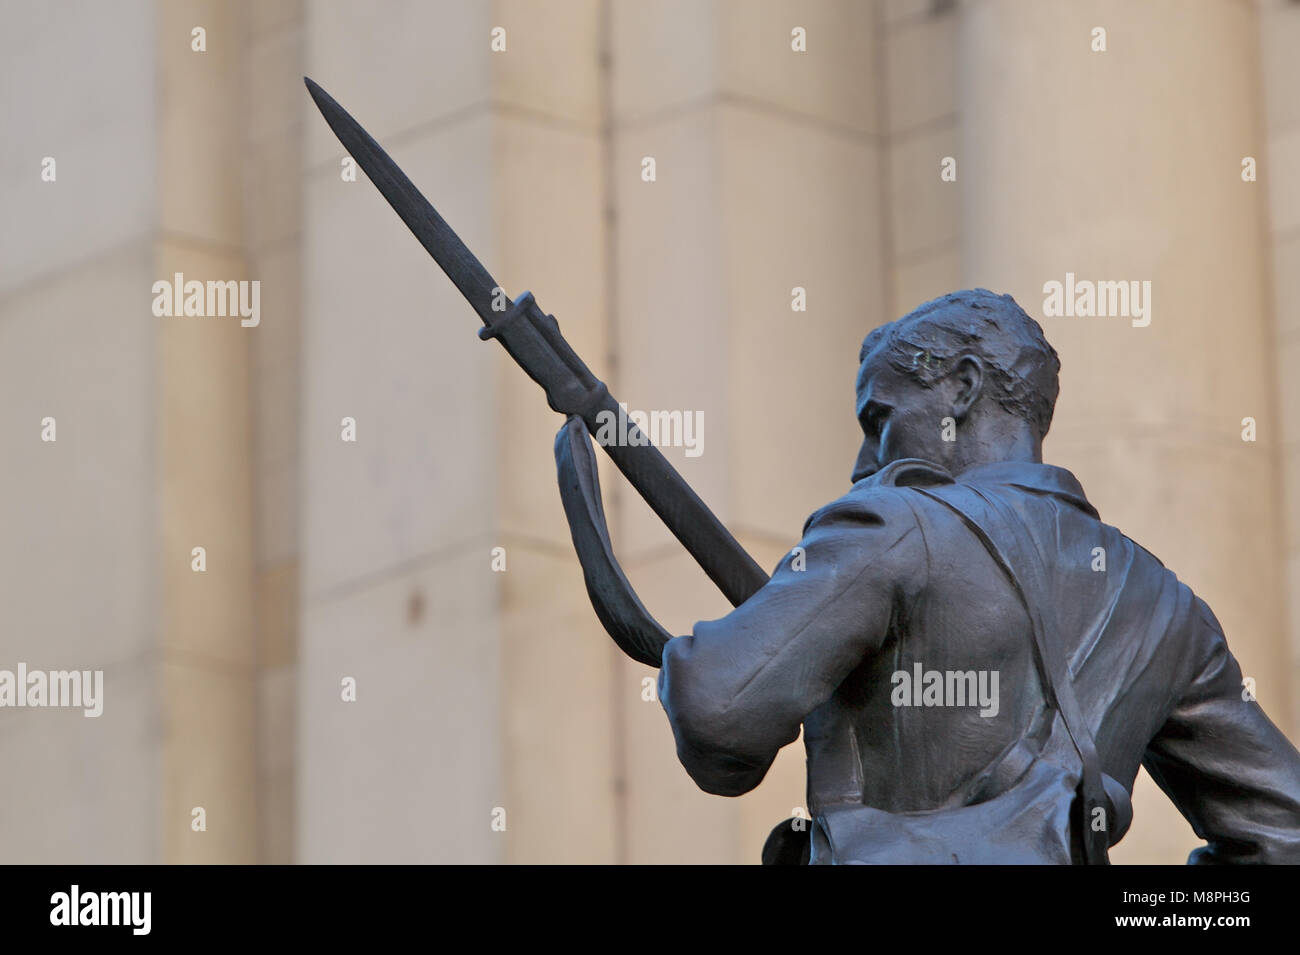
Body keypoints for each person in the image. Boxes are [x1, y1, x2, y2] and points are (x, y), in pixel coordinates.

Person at [652, 289, 1300, 864]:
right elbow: (1286, 836)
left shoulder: (894, 525)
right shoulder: (1168, 609)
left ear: (960, 389)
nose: (861, 463)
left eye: (879, 420)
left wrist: (706, 656)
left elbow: (720, 710)